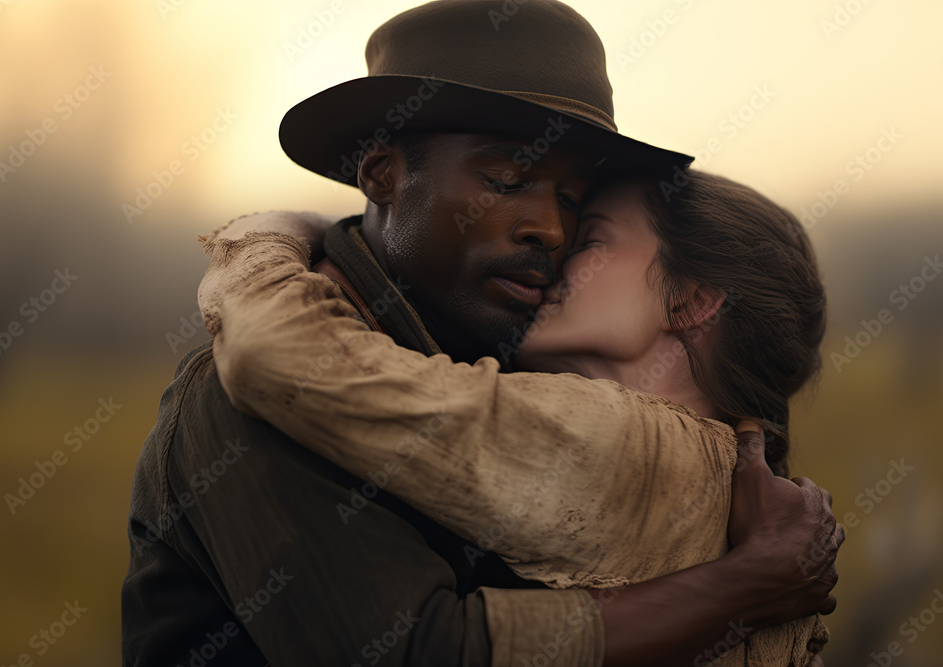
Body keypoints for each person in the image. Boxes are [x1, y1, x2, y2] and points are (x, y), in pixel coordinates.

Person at [122, 1, 841, 664]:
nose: (550, 229)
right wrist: (743, 588)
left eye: (572, 200)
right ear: (382, 175)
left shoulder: (530, 376)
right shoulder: (245, 403)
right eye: (506, 179)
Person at [196, 169, 836, 665]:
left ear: (693, 301)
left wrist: (271, 234)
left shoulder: (623, 442)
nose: (555, 254)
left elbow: (277, 354)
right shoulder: (728, 472)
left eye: (593, 239)